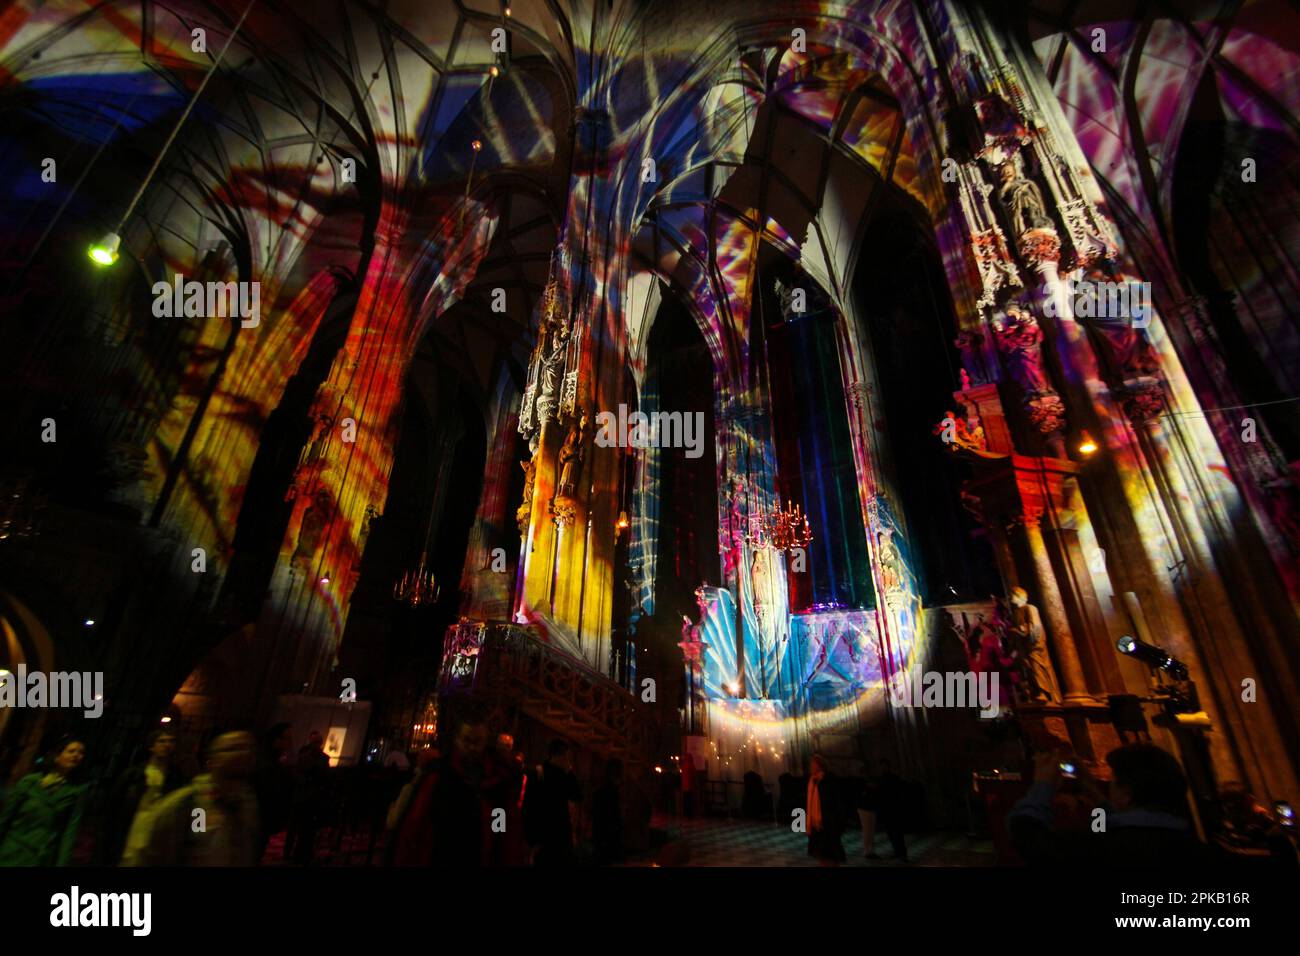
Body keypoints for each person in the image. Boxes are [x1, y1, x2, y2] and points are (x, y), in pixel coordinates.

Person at [1007, 743, 1217, 866]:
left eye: (1113, 783)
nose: (1110, 789)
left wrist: (1042, 785)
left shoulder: (1091, 851)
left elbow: (1027, 835)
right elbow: (1108, 826)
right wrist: (1093, 790)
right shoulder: (1203, 853)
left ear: (1126, 794)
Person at [125, 731, 260, 866]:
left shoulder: (247, 804)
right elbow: (196, 841)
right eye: (232, 749)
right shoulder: (196, 803)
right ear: (212, 760)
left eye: (248, 748)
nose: (243, 754)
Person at [390, 715, 491, 867]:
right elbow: (417, 819)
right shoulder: (438, 776)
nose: (472, 747)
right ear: (456, 740)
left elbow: (499, 814)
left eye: (477, 742)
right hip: (441, 853)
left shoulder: (493, 781)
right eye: (467, 740)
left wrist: (496, 837)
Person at [102, 729, 186, 865]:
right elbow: (113, 808)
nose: (167, 745)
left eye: (171, 741)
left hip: (157, 833)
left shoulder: (176, 777)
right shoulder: (133, 774)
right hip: (133, 829)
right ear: (151, 746)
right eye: (162, 741)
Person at [0, 737, 88, 866]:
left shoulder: (76, 791)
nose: (76, 755)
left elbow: (69, 833)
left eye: (81, 753)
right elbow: (5, 819)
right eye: (71, 751)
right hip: (11, 853)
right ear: (57, 755)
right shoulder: (30, 782)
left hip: (41, 858)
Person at [524, 739, 582, 866]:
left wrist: (569, 772)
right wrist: (533, 839)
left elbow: (577, 795)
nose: (567, 759)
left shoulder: (564, 774)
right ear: (558, 755)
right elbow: (529, 807)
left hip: (561, 835)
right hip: (546, 836)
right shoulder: (539, 773)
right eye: (565, 756)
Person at [285, 729, 330, 865]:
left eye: (317, 742)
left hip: (312, 798)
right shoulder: (303, 756)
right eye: (314, 742)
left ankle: (301, 854)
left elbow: (325, 778)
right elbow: (296, 775)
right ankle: (289, 853)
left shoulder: (323, 758)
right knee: (294, 828)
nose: (315, 744)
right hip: (302, 797)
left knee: (307, 830)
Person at [252, 722, 294, 860]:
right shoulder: (266, 766)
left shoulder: (271, 763)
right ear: (276, 741)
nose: (290, 743)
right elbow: (268, 797)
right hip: (256, 826)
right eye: (288, 739)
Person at [806, 754, 846, 865]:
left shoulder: (828, 780)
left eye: (813, 765)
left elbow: (834, 801)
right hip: (815, 823)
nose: (812, 767)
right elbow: (810, 802)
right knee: (820, 854)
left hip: (827, 822)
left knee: (831, 854)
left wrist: (837, 820)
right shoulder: (812, 781)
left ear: (820, 766)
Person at [592, 758, 624, 866]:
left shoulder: (601, 791)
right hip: (607, 833)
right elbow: (613, 814)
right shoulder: (611, 792)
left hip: (602, 833)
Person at [877, 759, 910, 863]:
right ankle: (898, 852)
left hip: (894, 810)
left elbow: (898, 793)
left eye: (884, 766)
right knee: (892, 834)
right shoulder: (882, 779)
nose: (882, 768)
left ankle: (902, 854)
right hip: (887, 811)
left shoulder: (893, 778)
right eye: (881, 766)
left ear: (887, 766)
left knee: (897, 834)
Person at [857, 762, 881, 859]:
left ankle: (871, 850)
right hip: (864, 808)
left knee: (871, 830)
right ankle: (867, 850)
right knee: (867, 830)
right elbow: (861, 794)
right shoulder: (860, 783)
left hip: (871, 807)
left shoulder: (870, 783)